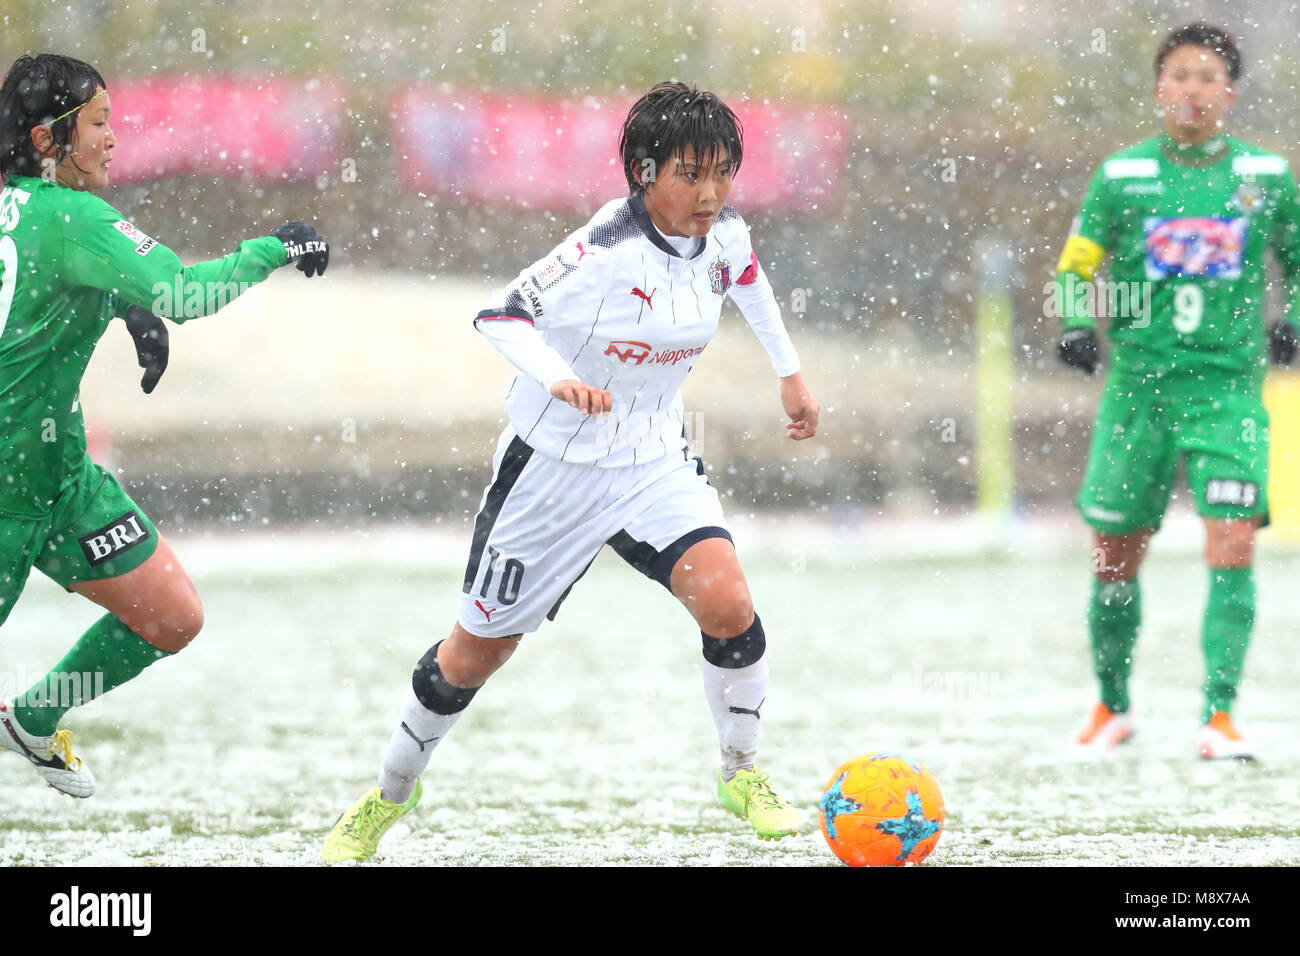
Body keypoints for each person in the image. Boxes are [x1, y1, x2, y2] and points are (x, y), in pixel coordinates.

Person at [323, 80, 820, 861]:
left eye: (724, 172)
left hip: (650, 457)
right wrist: (557, 377)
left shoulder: (724, 234)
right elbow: (500, 313)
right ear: (644, 172)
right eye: (691, 174)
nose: (711, 192)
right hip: (551, 469)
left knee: (728, 604)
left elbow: (749, 280)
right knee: (473, 654)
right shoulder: (602, 250)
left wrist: (787, 372)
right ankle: (387, 796)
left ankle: (742, 773)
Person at [0, 53, 329, 796]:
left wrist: (123, 306)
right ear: (48, 141)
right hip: (5, 490)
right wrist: (273, 247)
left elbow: (37, 286)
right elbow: (184, 290)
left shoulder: (25, 209)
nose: (112, 139)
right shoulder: (75, 215)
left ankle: (33, 718)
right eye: (97, 124)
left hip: (60, 476)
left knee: (171, 617)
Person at [1052, 24, 1299, 760]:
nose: (1193, 88)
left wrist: (1293, 319)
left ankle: (1219, 718)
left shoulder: (1267, 175)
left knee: (1230, 543)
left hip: (1226, 393)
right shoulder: (1122, 176)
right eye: (1180, 75)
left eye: (1208, 76)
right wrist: (1074, 322)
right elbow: (1076, 264)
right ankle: (1113, 707)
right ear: (1161, 89)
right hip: (1138, 395)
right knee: (1113, 555)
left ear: (1230, 93)